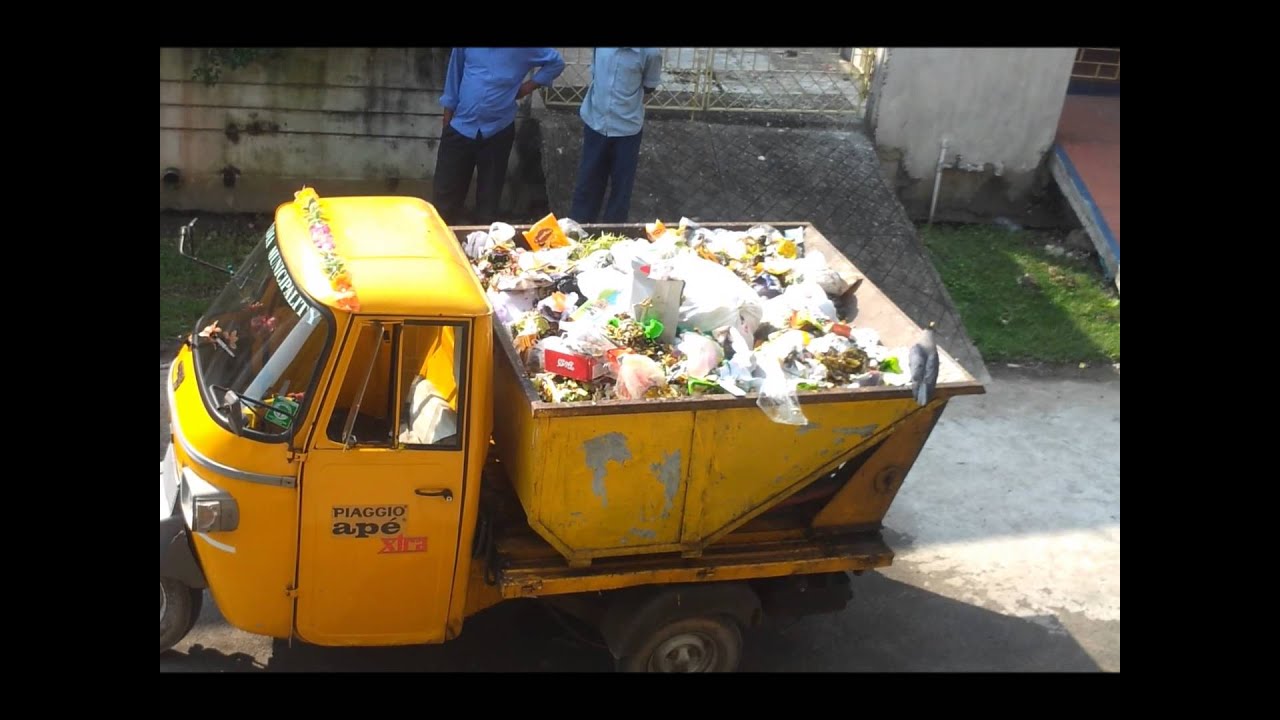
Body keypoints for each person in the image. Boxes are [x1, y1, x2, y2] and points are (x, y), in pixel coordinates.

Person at [435, 47, 565, 224]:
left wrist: (526, 88)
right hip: (460, 127)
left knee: (488, 203)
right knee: (444, 200)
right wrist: (447, 124)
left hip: (497, 131)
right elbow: (454, 76)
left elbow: (556, 63)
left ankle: (482, 246)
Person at [569, 48, 663, 224]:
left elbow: (649, 87)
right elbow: (596, 72)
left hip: (627, 130)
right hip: (595, 123)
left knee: (621, 189)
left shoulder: (650, 53)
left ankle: (613, 236)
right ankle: (578, 232)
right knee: (587, 183)